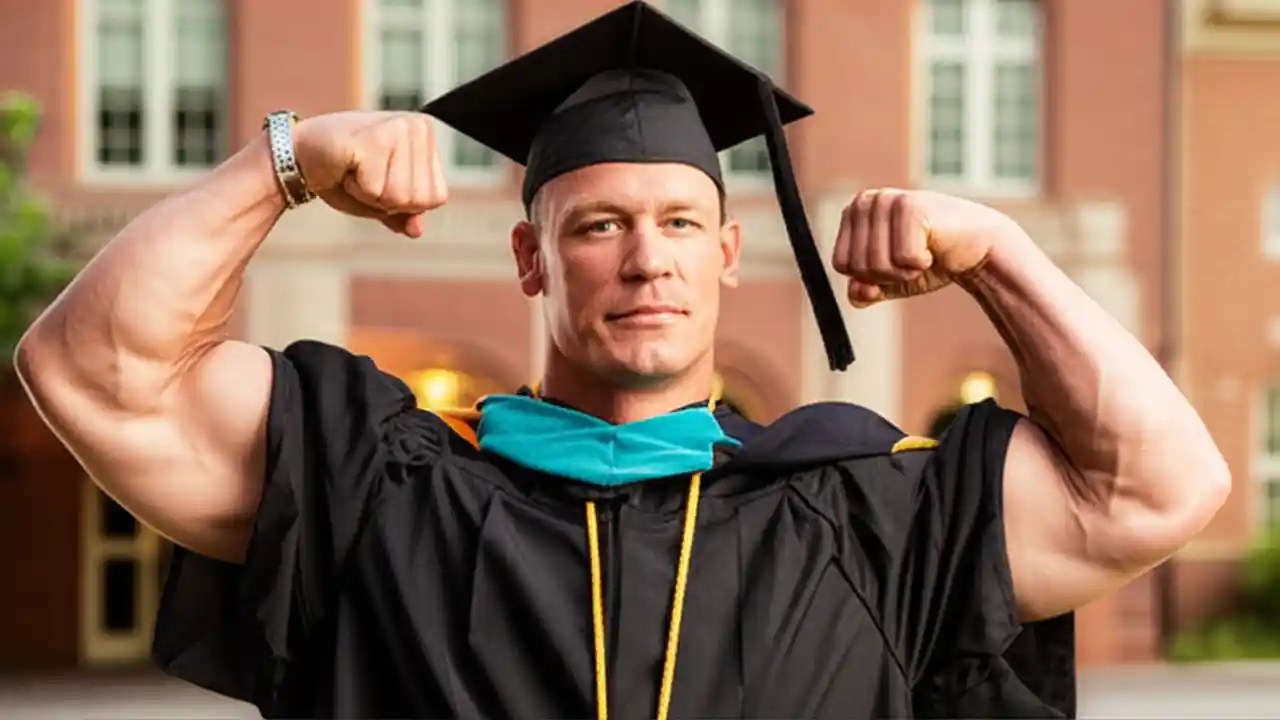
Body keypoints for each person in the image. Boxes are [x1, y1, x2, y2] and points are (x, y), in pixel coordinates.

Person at [16, 3, 1227, 719]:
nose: (646, 261)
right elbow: (94, 371)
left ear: (728, 257)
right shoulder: (377, 492)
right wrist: (281, 161)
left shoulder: (867, 512)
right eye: (597, 226)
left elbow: (1158, 487)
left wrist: (997, 253)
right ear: (532, 261)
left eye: (679, 223)